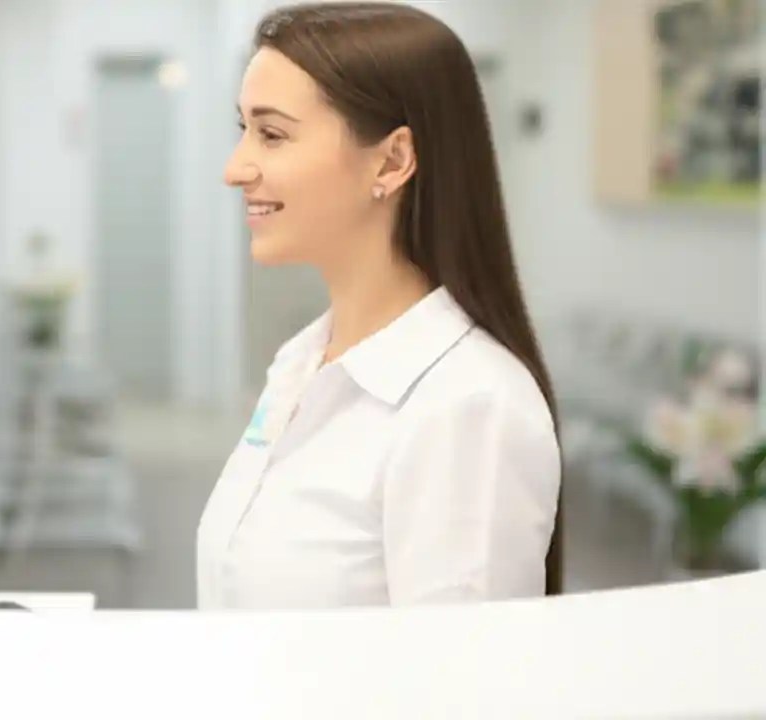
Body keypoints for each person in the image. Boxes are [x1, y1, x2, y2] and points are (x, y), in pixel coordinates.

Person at [196, 2, 563, 609]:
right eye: (243, 130)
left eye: (273, 134)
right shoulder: (303, 362)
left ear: (392, 161)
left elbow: (461, 692)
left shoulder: (469, 407)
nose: (236, 169)